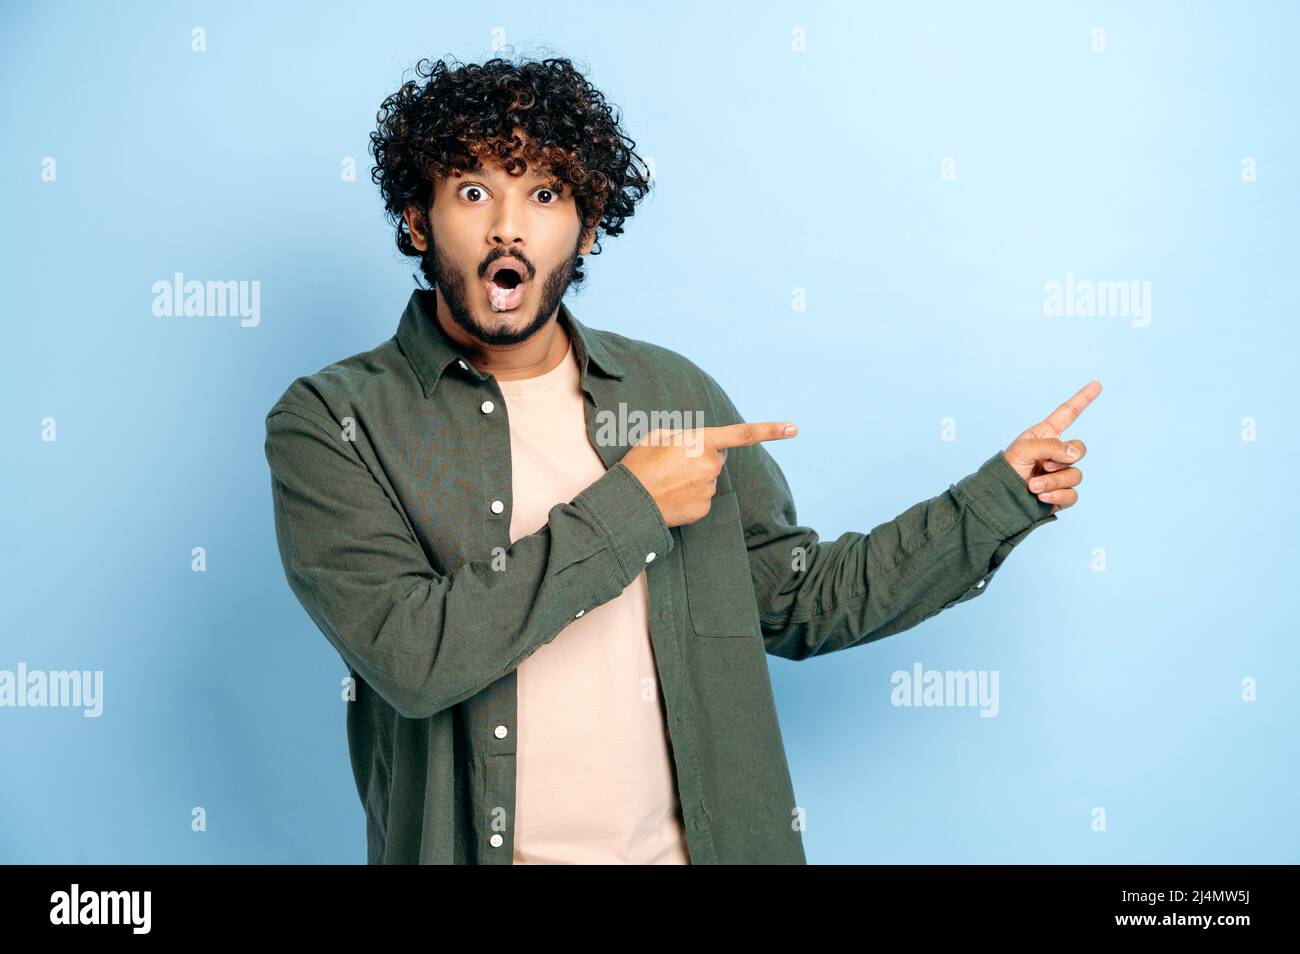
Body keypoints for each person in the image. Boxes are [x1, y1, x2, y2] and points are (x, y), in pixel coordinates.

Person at [263, 54, 1100, 864]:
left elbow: (800, 599)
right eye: (473, 191)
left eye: (544, 193)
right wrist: (632, 505)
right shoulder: (334, 420)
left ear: (586, 231)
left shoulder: (670, 391)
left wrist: (994, 501)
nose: (507, 225)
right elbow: (414, 658)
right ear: (418, 220)